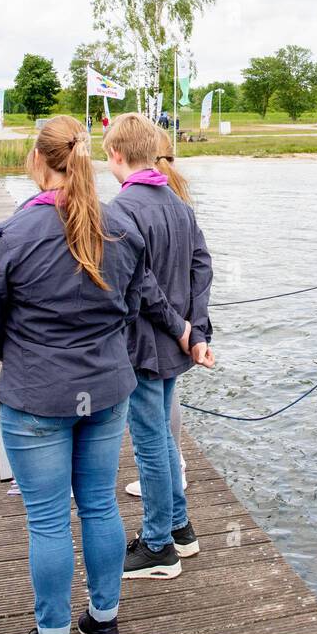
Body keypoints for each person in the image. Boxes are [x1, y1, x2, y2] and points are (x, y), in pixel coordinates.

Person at [0, 115, 148, 634]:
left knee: (47, 520)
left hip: (36, 394)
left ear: (39, 160)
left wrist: (17, 357)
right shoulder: (122, 228)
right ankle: (104, 620)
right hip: (107, 389)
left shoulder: (12, 234)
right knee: (100, 503)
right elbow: (130, 306)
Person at [103, 113, 214, 581]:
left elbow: (140, 285)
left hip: (145, 347)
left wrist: (182, 330)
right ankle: (180, 528)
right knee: (166, 439)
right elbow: (201, 268)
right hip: (172, 347)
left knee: (150, 444)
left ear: (116, 155)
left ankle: (157, 546)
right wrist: (197, 330)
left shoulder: (121, 209)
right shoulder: (178, 203)